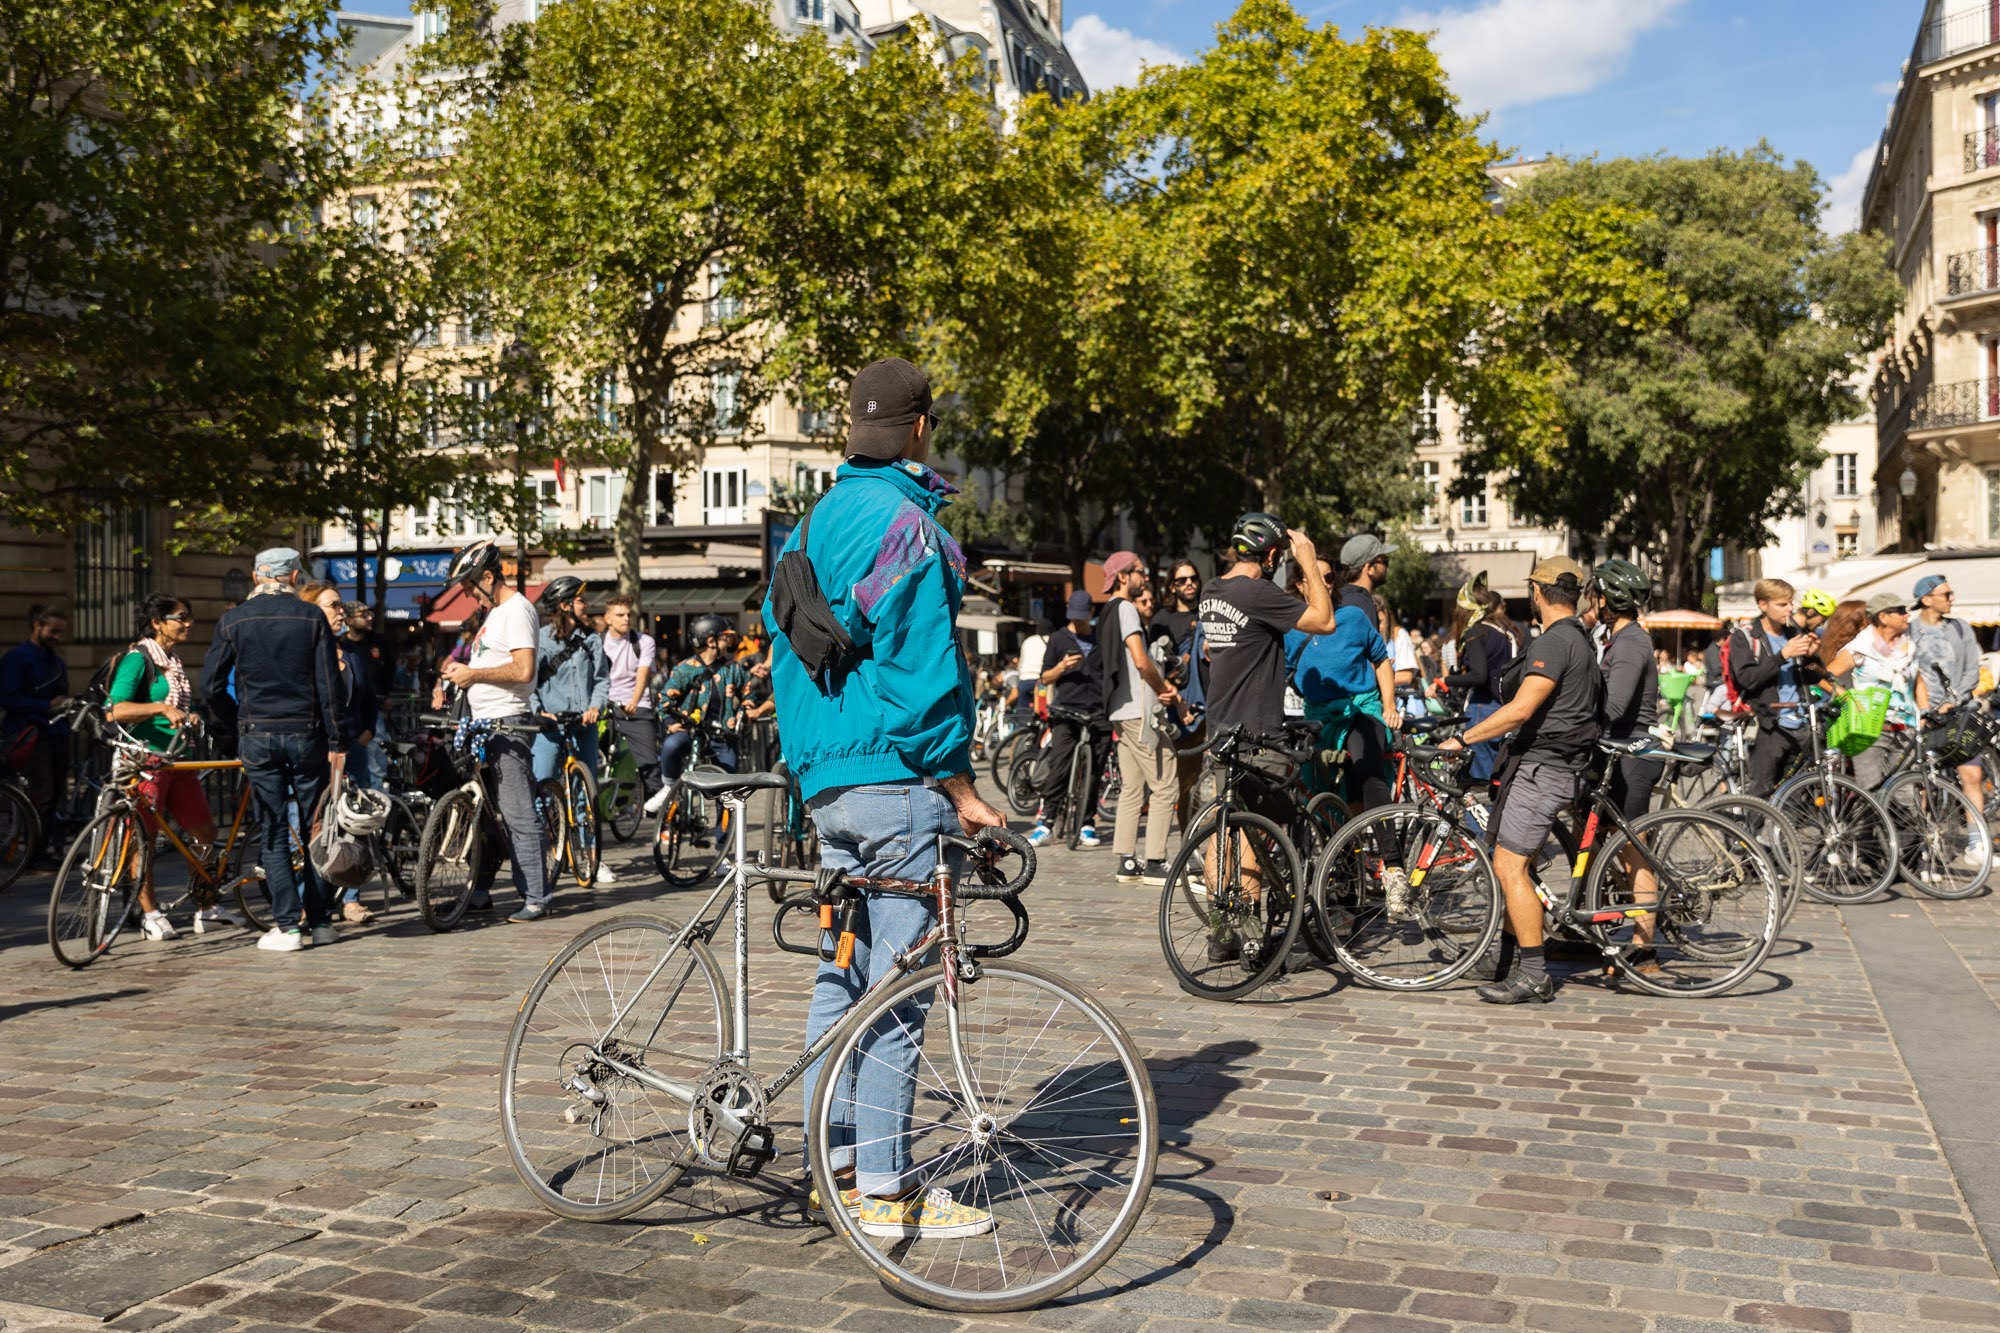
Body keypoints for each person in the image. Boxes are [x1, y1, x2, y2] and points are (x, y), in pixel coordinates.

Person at [762, 355, 1003, 1239]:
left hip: (826, 787)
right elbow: (924, 671)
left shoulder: (812, 522)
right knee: (897, 997)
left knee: (841, 977)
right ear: (921, 429)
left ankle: (830, 1167)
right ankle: (885, 1192)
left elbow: (784, 640)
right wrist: (961, 783)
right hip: (896, 785)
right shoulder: (907, 525)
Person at [1439, 557, 1602, 1005]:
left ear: (1537, 593)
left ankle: (1534, 974)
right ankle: (1510, 957)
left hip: (1543, 769)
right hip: (1549, 766)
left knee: (1510, 868)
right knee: (1518, 866)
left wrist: (1463, 738)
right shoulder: (1578, 638)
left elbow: (1521, 708)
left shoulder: (1555, 641)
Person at [1198, 512, 1336, 960]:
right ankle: (1254, 939)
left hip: (1219, 730)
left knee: (1224, 833)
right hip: (1257, 734)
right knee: (1258, 834)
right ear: (1273, 555)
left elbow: (1214, 648)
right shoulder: (1259, 592)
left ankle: (1221, 934)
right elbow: (1323, 621)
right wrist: (1310, 562)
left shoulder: (1212, 590)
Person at [203, 548, 346, 951]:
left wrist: (233, 724)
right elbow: (328, 685)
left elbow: (210, 686)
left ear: (255, 577)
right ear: (295, 577)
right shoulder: (311, 617)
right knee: (315, 829)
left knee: (272, 830)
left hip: (258, 733)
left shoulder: (234, 620)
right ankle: (320, 921)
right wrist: (338, 738)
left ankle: (288, 926)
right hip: (307, 733)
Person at [107, 594, 237, 939]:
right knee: (144, 839)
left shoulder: (173, 660)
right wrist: (159, 710)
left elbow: (175, 704)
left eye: (189, 617)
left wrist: (187, 715)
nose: (188, 623)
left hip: (176, 759)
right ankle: (149, 913)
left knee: (205, 831)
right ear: (156, 622)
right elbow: (115, 709)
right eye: (180, 618)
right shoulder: (139, 659)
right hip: (145, 759)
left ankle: (206, 904)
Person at [435, 540, 550, 923]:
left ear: (488, 576)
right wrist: (460, 677)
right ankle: (481, 891)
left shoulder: (516, 610)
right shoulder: (494, 614)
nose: (467, 595)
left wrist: (474, 674)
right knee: (486, 817)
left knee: (518, 814)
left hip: (507, 725)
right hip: (484, 725)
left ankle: (536, 897)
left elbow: (522, 671)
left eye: (469, 586)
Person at [300, 582, 384, 924]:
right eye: (333, 605)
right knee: (312, 825)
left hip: (354, 749)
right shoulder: (303, 651)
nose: (341, 612)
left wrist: (366, 731)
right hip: (318, 750)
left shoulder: (352, 653)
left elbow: (368, 695)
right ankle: (311, 901)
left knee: (353, 824)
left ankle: (350, 896)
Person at [1101, 552, 1186, 884]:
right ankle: (1154, 861)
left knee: (1132, 788)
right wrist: (1166, 690)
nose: (1145, 577)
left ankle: (1127, 861)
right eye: (1139, 572)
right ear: (1124, 576)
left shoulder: (1106, 611)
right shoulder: (1125, 609)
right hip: (1138, 711)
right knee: (1166, 785)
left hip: (1120, 712)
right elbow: (1140, 660)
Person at [532, 576, 616, 884]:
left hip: (584, 724)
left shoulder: (592, 638)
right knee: (542, 793)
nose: (587, 605)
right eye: (581, 600)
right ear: (565, 605)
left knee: (586, 795)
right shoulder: (541, 639)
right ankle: (542, 858)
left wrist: (595, 707)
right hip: (550, 726)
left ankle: (591, 858)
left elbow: (602, 679)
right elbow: (529, 681)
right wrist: (538, 710)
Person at [1908, 573, 1985, 859]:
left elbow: (1972, 671)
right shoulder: (1909, 631)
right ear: (1926, 600)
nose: (1952, 599)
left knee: (1971, 774)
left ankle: (1976, 843)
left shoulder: (1961, 628)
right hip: (1922, 716)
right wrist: (1923, 709)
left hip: (1959, 713)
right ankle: (1921, 840)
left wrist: (1952, 702)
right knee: (1922, 780)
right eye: (1947, 594)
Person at [1027, 590, 1110, 848]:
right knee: (1059, 766)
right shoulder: (1058, 639)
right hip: (1066, 710)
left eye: (1082, 617)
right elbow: (1044, 678)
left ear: (1091, 613)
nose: (1078, 621)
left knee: (1096, 770)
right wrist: (1062, 668)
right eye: (1074, 617)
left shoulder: (1101, 639)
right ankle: (1047, 821)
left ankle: (1087, 822)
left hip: (1097, 710)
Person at [1725, 579, 1822, 798]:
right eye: (1782, 604)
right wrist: (1782, 656)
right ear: (1763, 605)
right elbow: (1747, 679)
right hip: (1770, 724)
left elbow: (1813, 676)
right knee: (1761, 790)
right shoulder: (1746, 636)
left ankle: (1784, 832)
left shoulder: (1793, 632)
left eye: (1790, 603)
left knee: (1796, 794)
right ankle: (1747, 832)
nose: (1790, 609)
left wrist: (1812, 657)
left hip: (1802, 722)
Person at [1826, 594, 1929, 794]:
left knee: (1904, 793)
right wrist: (1846, 696)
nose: (1906, 615)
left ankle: (1901, 826)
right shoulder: (1861, 648)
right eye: (1900, 611)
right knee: (1871, 790)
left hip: (1905, 725)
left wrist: (1924, 713)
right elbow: (1824, 676)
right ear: (1883, 617)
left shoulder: (1909, 647)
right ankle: (1860, 826)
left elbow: (1918, 682)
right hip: (1870, 726)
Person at [651, 614, 743, 829]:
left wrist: (745, 714)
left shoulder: (733, 669)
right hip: (691, 732)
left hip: (722, 736)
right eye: (724, 638)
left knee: (727, 790)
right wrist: (670, 723)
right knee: (672, 745)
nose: (728, 642)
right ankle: (668, 786)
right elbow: (664, 701)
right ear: (711, 641)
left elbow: (748, 696)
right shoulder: (685, 669)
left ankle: (724, 852)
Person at [0, 606, 70, 836]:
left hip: (57, 733)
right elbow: (8, 698)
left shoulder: (56, 662)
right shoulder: (17, 658)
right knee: (41, 794)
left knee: (56, 793)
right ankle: (35, 854)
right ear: (37, 626)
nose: (57, 638)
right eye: (53, 631)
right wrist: (46, 705)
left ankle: (45, 847)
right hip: (31, 734)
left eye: (60, 633)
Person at [1442, 577, 1519, 783]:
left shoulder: (1476, 632)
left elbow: (1479, 675)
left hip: (1481, 709)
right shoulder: (1504, 631)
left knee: (1477, 782)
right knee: (1496, 780)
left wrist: (1446, 681)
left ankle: (1476, 817)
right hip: (1503, 708)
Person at [603, 594, 664, 809]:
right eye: (620, 615)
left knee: (650, 765)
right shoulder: (598, 643)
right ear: (607, 619)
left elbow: (643, 675)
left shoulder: (643, 642)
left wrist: (634, 702)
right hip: (607, 706)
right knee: (599, 758)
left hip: (637, 706)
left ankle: (662, 818)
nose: (626, 619)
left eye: (629, 614)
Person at [1377, 594, 1425, 721]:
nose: (1379, 627)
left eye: (1381, 621)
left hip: (1404, 706)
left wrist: (1377, 681)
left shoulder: (1399, 635)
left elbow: (1406, 676)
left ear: (1387, 616)